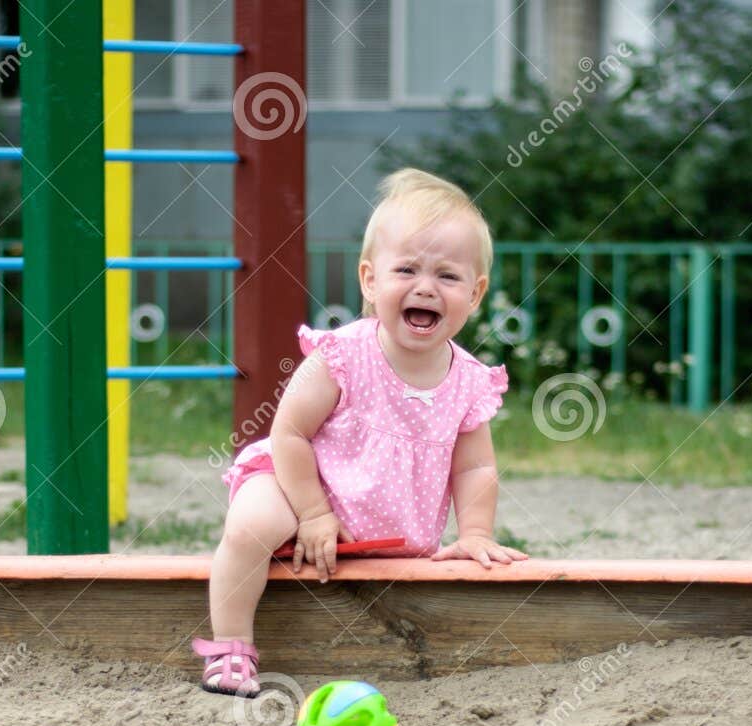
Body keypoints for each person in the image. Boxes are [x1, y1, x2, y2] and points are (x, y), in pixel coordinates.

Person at [193, 168, 527, 696]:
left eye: (447, 276)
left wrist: (475, 533)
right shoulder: (343, 355)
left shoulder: (468, 381)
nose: (425, 287)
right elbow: (290, 434)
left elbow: (476, 466)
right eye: (407, 270)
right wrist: (312, 512)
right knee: (251, 525)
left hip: (379, 526)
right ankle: (231, 649)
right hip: (299, 484)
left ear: (476, 293)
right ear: (370, 280)